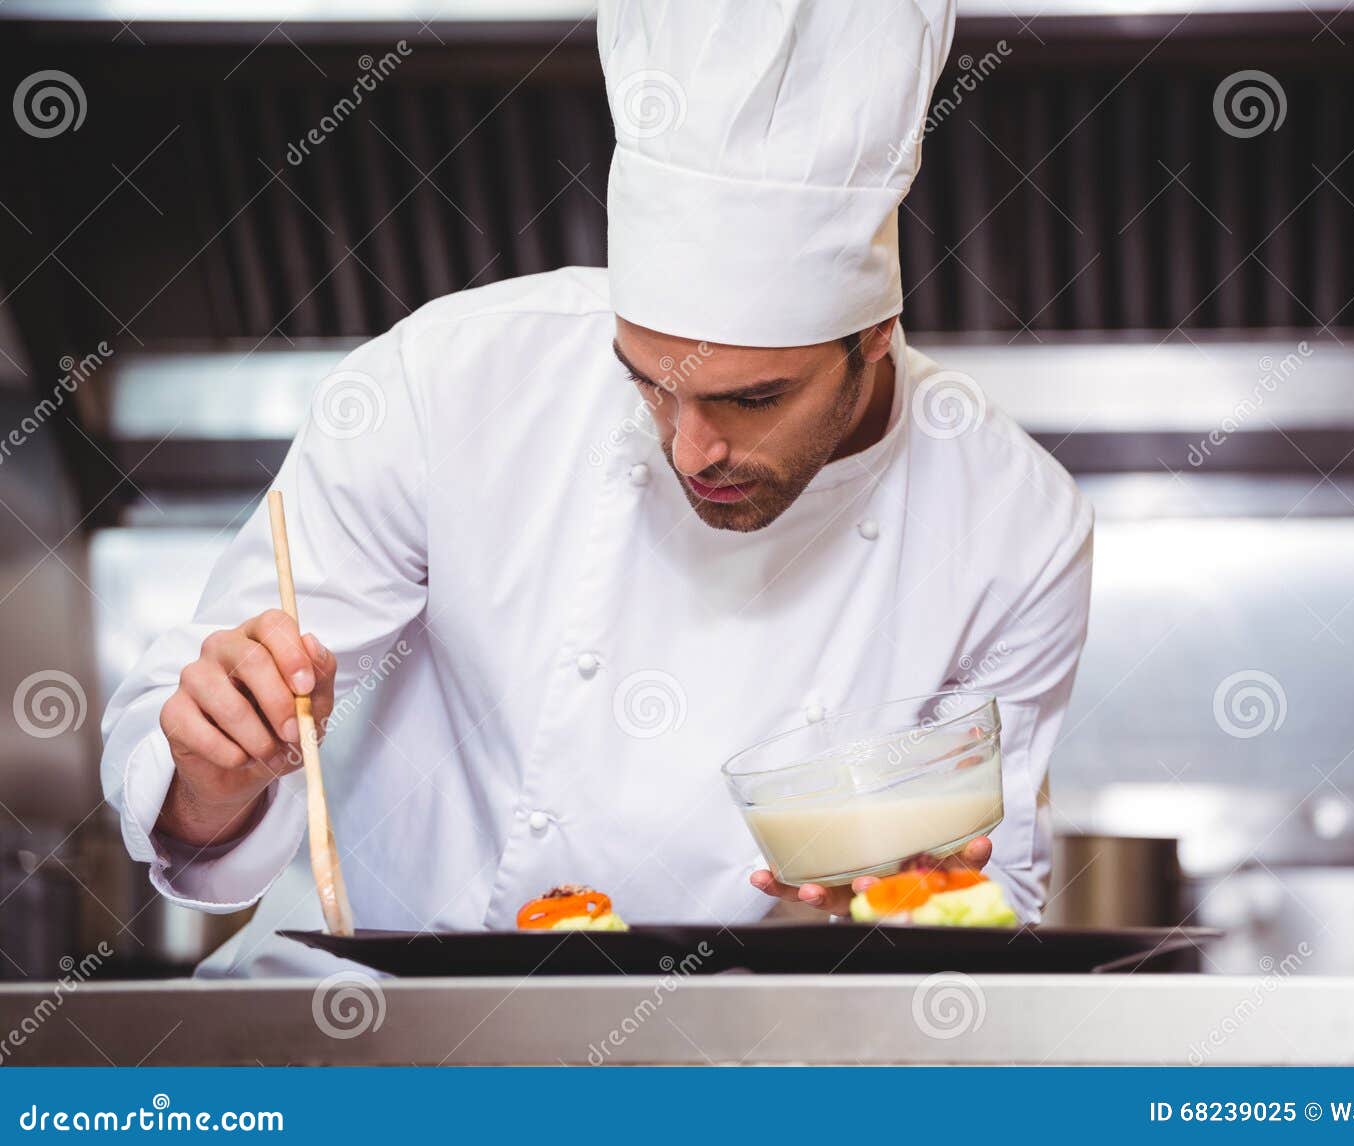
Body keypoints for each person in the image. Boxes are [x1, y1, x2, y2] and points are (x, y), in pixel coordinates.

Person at [100, 0, 1093, 975]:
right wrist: (214, 767)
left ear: (872, 340)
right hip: (367, 1044)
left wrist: (895, 908)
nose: (691, 447)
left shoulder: (1015, 523)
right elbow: (185, 779)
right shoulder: (449, 382)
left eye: (752, 399)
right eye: (649, 385)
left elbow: (979, 925)